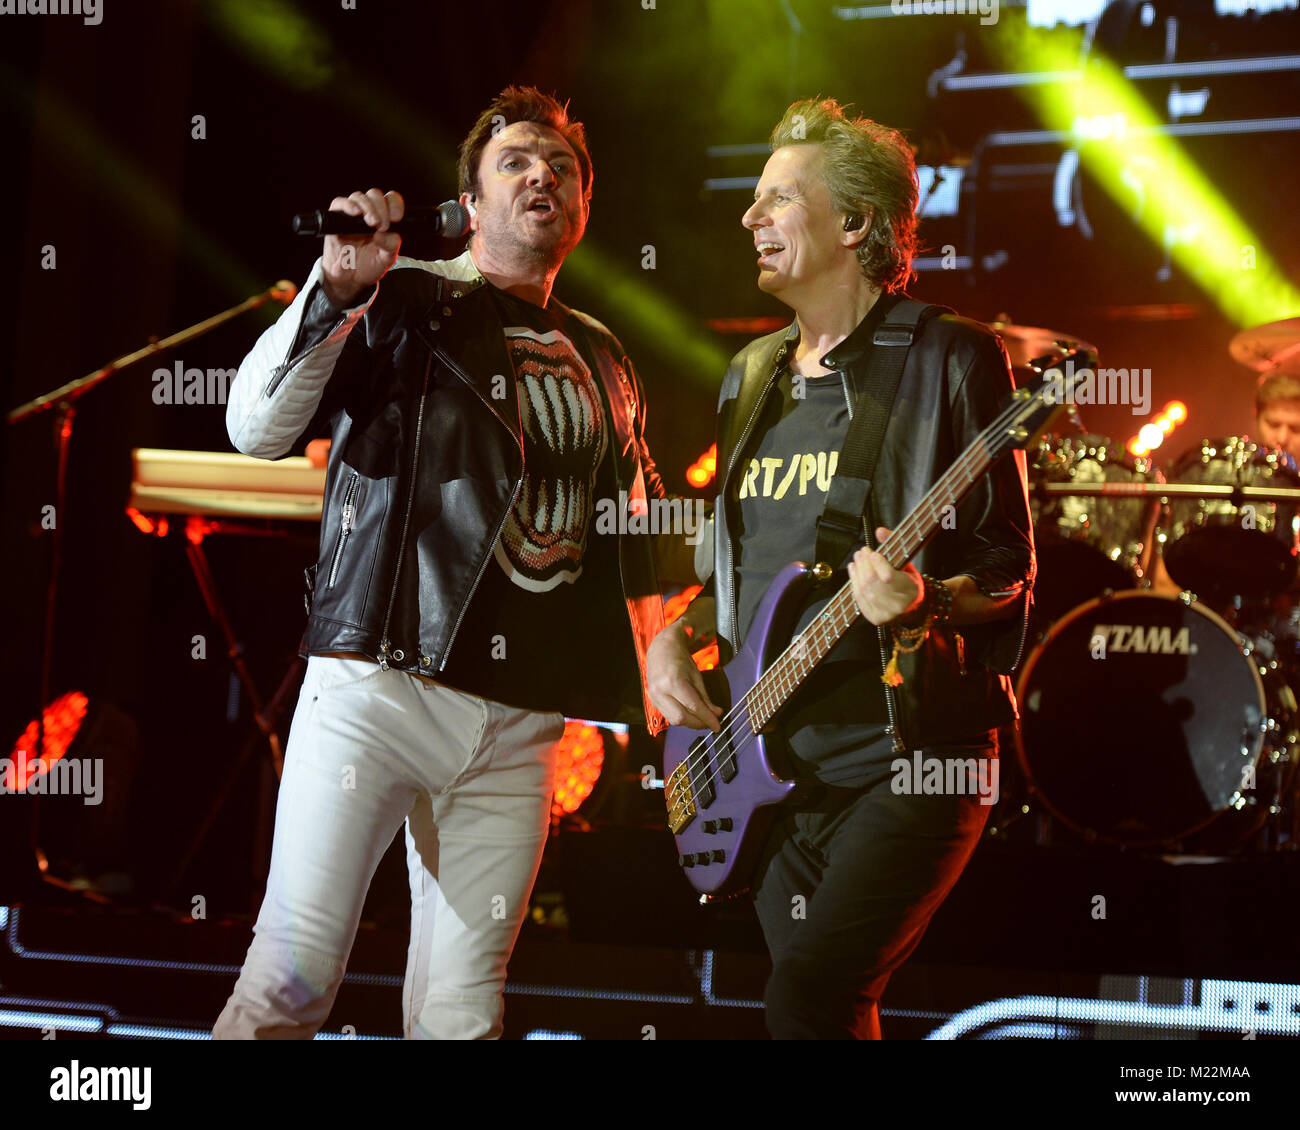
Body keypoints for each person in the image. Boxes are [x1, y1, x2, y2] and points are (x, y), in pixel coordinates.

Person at [213, 86, 705, 1040]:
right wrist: (335, 292)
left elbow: (636, 520)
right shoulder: (406, 300)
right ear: (471, 206)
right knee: (289, 984)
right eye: (517, 161)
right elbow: (254, 428)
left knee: (464, 1010)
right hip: (379, 690)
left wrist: (663, 647)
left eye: (561, 167)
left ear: (583, 206)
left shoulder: (602, 354)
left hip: (520, 727)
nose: (543, 175)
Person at [646, 98, 1034, 1039]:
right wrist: (676, 637)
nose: (750, 219)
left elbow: (1009, 566)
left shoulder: (949, 355)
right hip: (773, 768)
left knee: (810, 996)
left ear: (855, 224)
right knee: (822, 1016)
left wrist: (923, 599)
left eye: (779, 199)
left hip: (910, 758)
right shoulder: (750, 376)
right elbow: (730, 572)